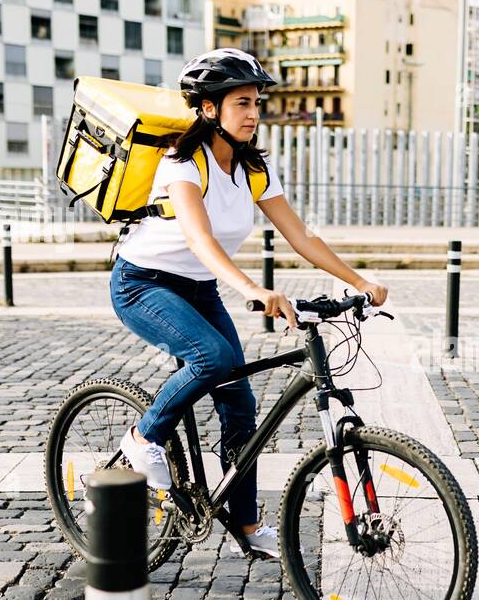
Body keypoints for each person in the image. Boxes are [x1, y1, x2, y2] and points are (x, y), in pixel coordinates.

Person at [110, 48, 388, 559]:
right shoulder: (181, 163)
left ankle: (245, 524)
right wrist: (254, 291)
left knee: (240, 402)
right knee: (212, 360)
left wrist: (359, 281)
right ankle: (141, 438)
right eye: (241, 102)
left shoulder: (253, 169)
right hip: (143, 284)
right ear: (209, 108)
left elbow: (300, 235)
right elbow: (199, 238)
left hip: (198, 289)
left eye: (256, 102)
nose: (253, 113)